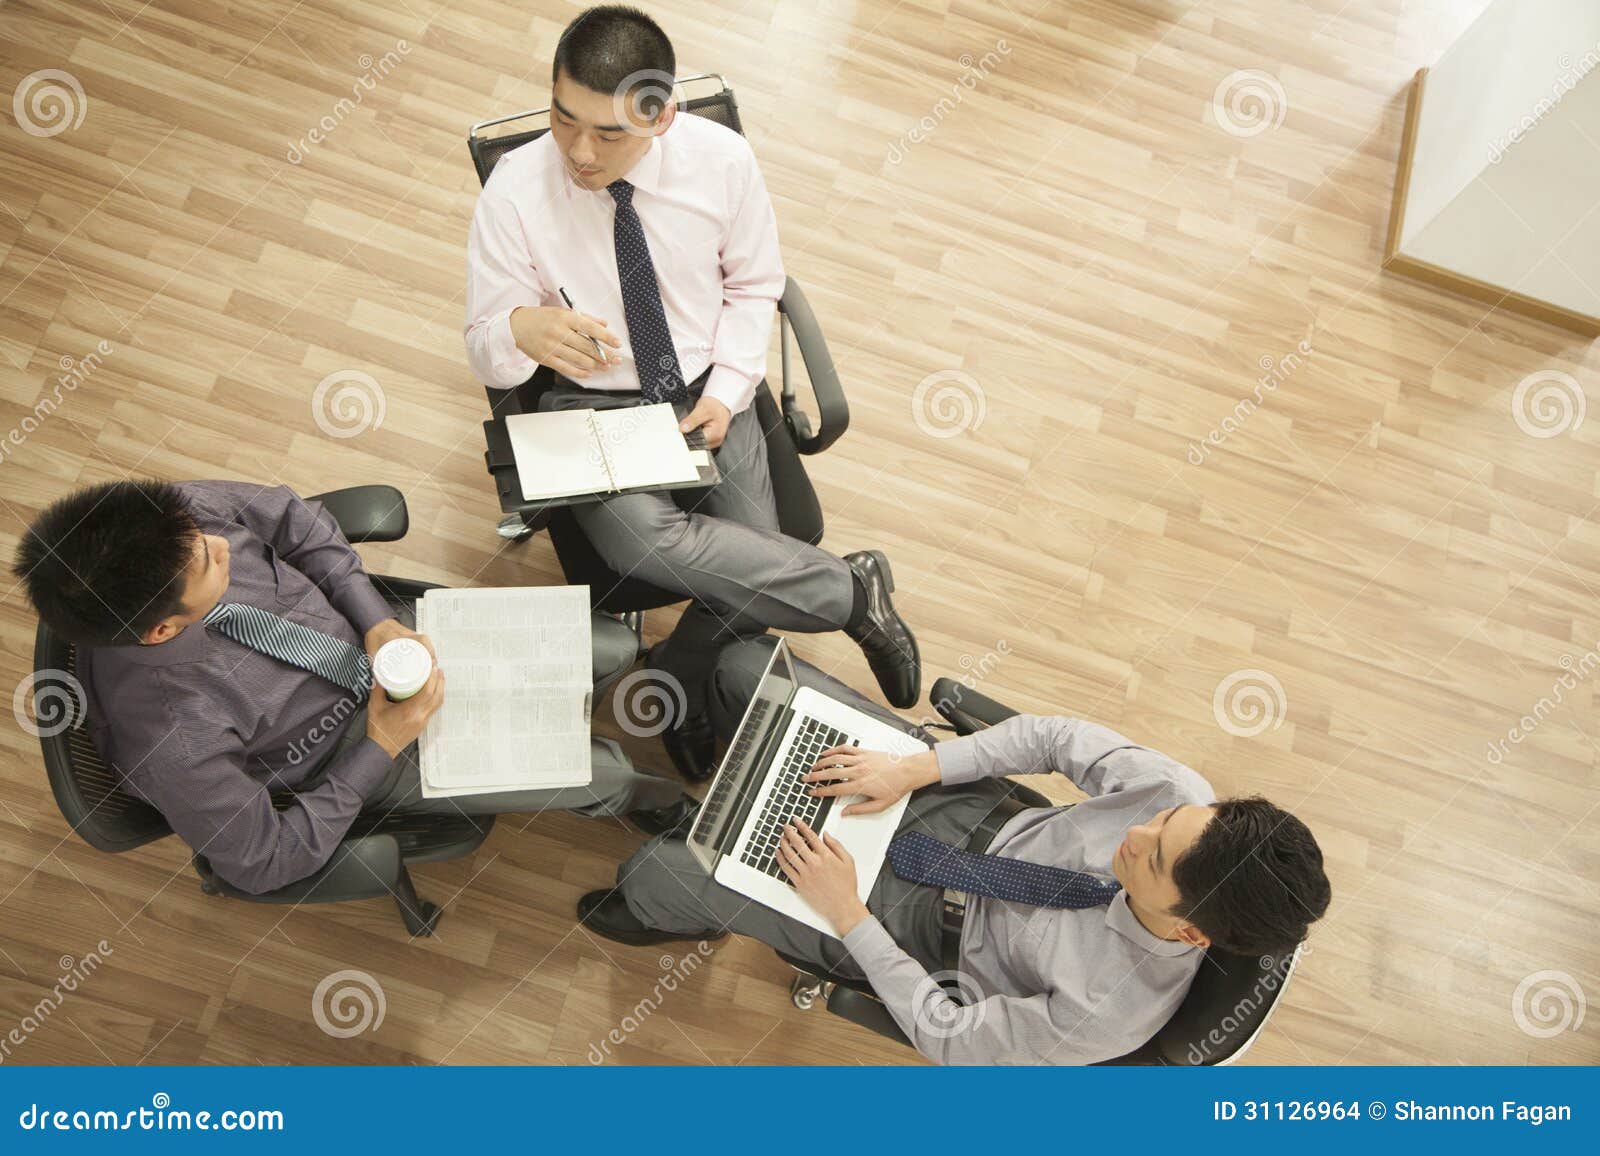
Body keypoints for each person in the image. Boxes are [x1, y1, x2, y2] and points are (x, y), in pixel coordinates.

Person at [464, 5, 919, 780]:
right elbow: (484, 344)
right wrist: (519, 328)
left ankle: (678, 680)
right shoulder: (515, 190)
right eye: (563, 117)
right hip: (594, 406)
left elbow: (755, 285)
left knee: (747, 567)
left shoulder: (722, 162)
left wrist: (736, 386)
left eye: (609, 134)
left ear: (662, 115)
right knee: (657, 542)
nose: (578, 151)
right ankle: (849, 592)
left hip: (709, 385)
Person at [579, 637, 1333, 1065]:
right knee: (742, 667)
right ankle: (729, 799)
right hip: (957, 806)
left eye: (1156, 859)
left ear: (1191, 930)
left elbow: (952, 1041)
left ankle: (692, 893)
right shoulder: (1177, 794)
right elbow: (1050, 738)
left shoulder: (1106, 1016)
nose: (1139, 831)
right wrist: (916, 767)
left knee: (656, 874)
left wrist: (849, 916)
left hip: (908, 927)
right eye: (1168, 823)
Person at [13, 479, 692, 896]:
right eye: (205, 560)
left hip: (380, 638)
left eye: (199, 531)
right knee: (603, 771)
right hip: (346, 747)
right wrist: (382, 742)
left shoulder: (162, 523)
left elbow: (289, 515)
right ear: (161, 631)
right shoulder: (169, 736)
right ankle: (657, 804)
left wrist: (375, 621)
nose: (218, 541)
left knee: (613, 645)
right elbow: (262, 859)